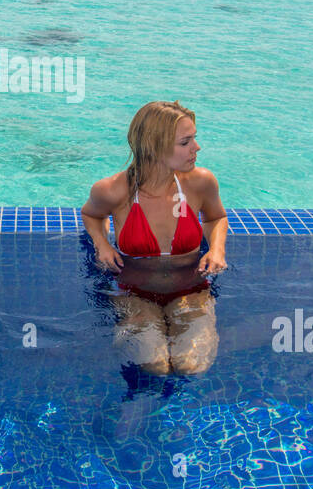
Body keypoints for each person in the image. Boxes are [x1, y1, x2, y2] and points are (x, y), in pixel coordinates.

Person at [81, 101, 229, 376]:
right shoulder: (113, 191)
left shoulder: (200, 182)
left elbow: (216, 218)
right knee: (154, 367)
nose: (197, 147)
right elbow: (90, 215)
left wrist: (217, 250)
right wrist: (102, 245)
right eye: (186, 142)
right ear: (155, 147)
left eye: (194, 138)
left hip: (191, 291)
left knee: (192, 366)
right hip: (134, 294)